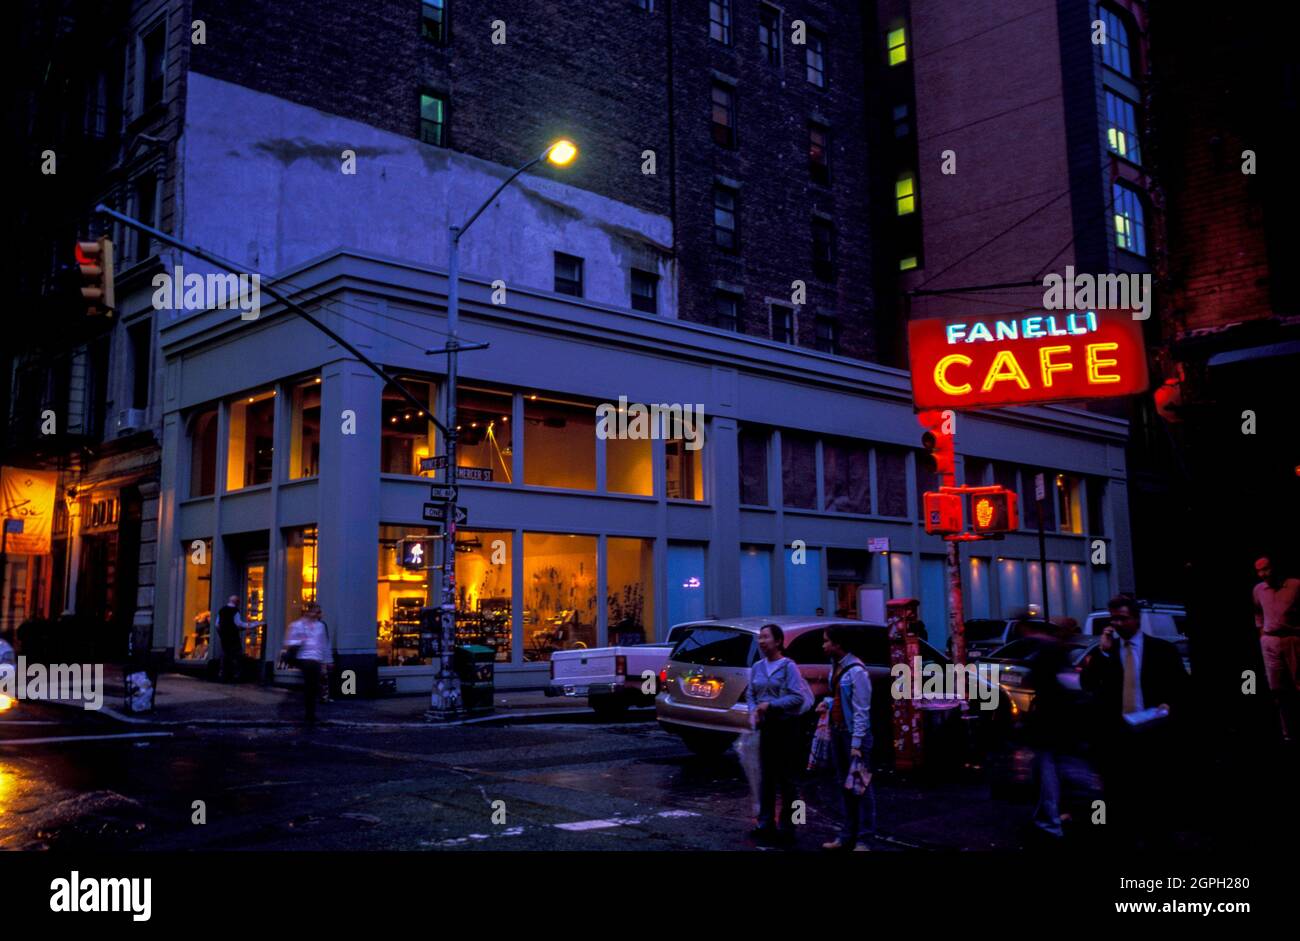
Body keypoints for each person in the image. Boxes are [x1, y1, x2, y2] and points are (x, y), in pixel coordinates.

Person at [1080, 594, 1188, 847]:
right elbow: (1088, 683)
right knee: (1119, 799)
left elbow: (1181, 687)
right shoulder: (1108, 652)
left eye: (1123, 618)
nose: (1117, 624)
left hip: (1151, 733)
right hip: (1117, 737)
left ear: (1137, 619)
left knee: (1153, 796)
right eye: (1113, 619)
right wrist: (1103, 653)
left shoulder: (1161, 650)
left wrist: (1169, 705)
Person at [745, 623, 813, 847]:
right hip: (766, 729)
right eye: (759, 638)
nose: (761, 641)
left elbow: (797, 698)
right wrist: (754, 710)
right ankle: (765, 822)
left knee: (787, 779)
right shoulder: (756, 667)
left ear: (778, 641)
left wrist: (770, 706)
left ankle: (788, 825)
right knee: (766, 777)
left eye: (765, 637)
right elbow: (750, 694)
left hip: (786, 728)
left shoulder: (788, 667)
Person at [819, 626, 875, 851]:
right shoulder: (836, 667)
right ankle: (846, 835)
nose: (823, 645)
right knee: (845, 785)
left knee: (861, 787)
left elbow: (862, 709)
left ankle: (864, 838)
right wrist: (828, 703)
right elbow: (839, 698)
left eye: (826, 641)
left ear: (838, 644)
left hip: (854, 736)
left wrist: (856, 743)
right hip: (838, 731)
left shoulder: (857, 671)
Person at [1252, 556, 1300, 745]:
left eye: (1266, 569)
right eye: (1259, 571)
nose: (1263, 574)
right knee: (1277, 689)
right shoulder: (1258, 589)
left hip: (1293, 639)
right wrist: (1262, 633)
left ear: (1276, 567)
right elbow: (1257, 612)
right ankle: (1287, 733)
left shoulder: (1295, 585)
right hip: (1270, 641)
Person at [281, 602, 333, 724]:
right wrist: (300, 640)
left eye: (318, 612)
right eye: (316, 611)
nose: (318, 614)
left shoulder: (320, 626)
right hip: (304, 658)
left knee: (312, 686)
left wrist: (328, 660)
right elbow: (289, 642)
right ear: (308, 612)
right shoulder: (297, 625)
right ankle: (310, 713)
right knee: (311, 685)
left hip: (316, 658)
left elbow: (324, 644)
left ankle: (310, 712)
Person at [216, 595, 259, 683]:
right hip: (233, 637)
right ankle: (236, 675)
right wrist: (252, 625)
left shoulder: (222, 610)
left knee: (225, 655)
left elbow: (217, 624)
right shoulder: (235, 611)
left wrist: (221, 633)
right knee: (236, 656)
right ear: (237, 602)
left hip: (224, 637)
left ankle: (223, 675)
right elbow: (239, 624)